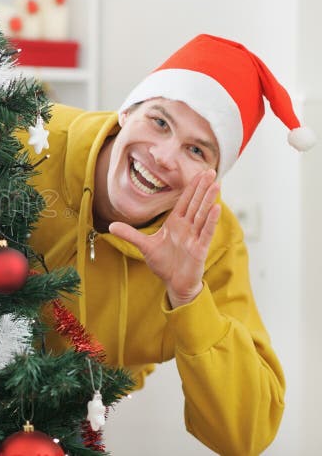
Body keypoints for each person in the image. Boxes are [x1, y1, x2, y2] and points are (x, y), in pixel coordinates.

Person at [27, 34, 315, 455]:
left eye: (196, 150)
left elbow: (245, 435)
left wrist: (188, 296)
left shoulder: (212, 242)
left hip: (57, 432)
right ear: (127, 111)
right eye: (159, 122)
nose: (163, 156)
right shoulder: (31, 137)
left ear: (211, 180)